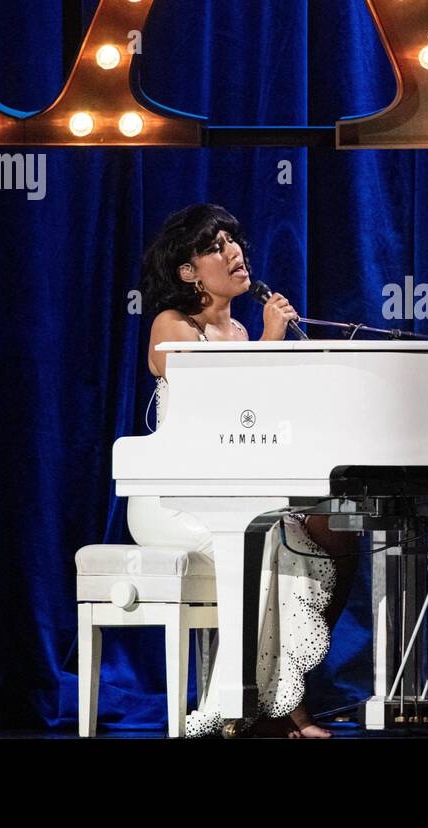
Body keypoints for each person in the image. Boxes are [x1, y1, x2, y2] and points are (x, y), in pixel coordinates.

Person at [132, 203, 358, 738]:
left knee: (337, 532)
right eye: (214, 246)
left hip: (242, 496)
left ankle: (284, 685)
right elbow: (224, 406)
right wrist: (271, 342)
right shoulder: (174, 325)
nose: (233, 252)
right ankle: (269, 710)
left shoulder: (241, 332)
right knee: (274, 541)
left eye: (233, 239)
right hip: (176, 504)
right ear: (188, 272)